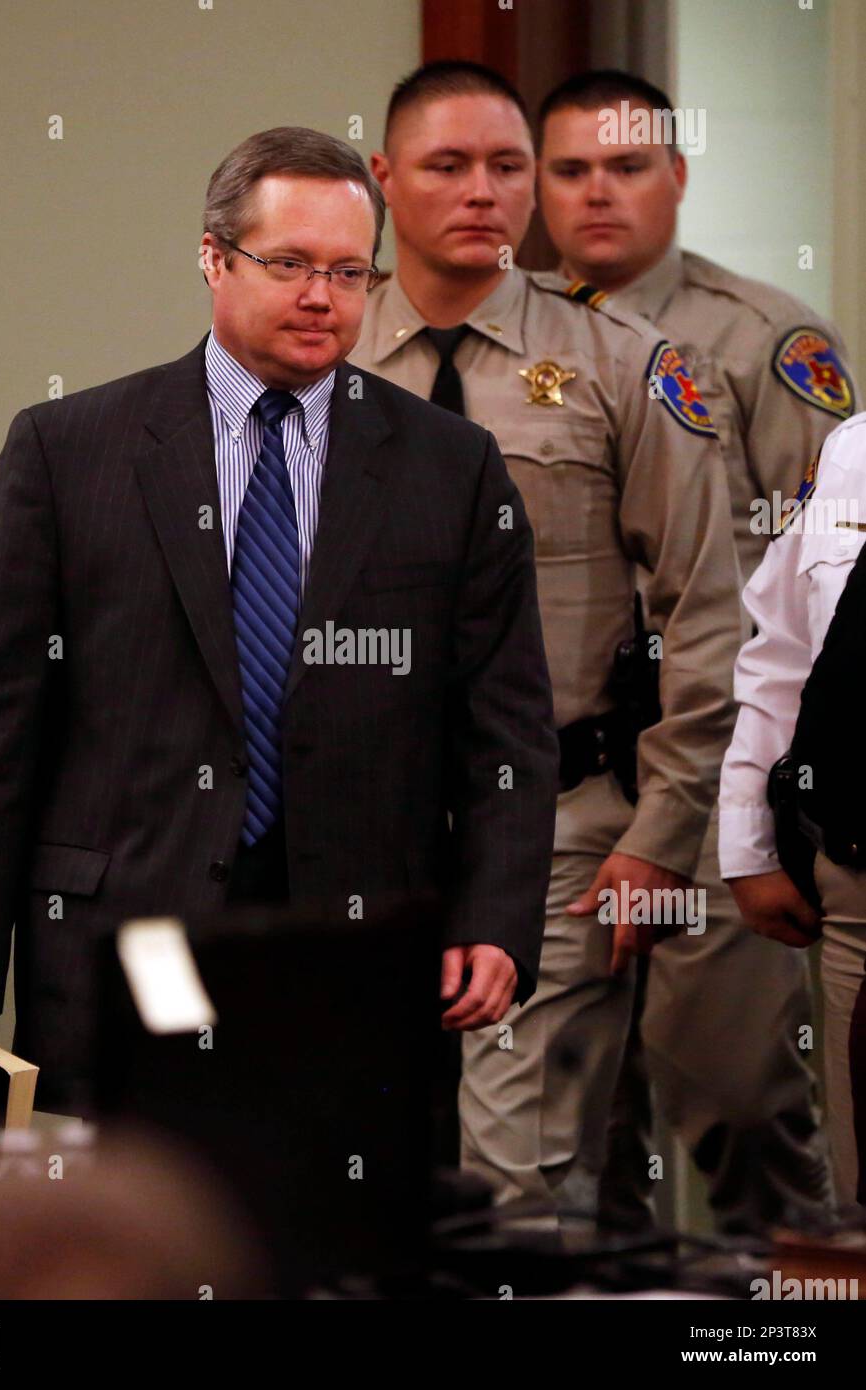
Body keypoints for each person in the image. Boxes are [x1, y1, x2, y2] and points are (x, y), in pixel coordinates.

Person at [0, 126, 559, 1117]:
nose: (320, 296)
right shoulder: (70, 451)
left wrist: (499, 920)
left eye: (348, 270)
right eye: (288, 263)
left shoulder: (450, 466)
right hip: (125, 947)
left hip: (359, 952)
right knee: (124, 1254)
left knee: (339, 1257)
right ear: (212, 257)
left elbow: (506, 723)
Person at [350, 61, 742, 1228]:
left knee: (517, 1183)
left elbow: (704, 610)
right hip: (357, 830)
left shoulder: (624, 363)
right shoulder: (322, 359)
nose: (484, 191)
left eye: (507, 166)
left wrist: (663, 835)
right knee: (354, 1168)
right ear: (383, 179)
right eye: (448, 165)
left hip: (562, 830)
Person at [535, 69, 854, 1229]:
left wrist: (783, 810)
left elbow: (823, 596)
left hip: (718, 777)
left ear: (677, 174)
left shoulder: (764, 338)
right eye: (569, 170)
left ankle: (792, 1318)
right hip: (574, 780)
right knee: (574, 1119)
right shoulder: (517, 335)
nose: (596, 194)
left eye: (626, 166)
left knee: (736, 1093)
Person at [719, 413, 866, 1208]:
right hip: (855, 885)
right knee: (859, 1195)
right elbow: (781, 656)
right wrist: (749, 844)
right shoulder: (853, 451)